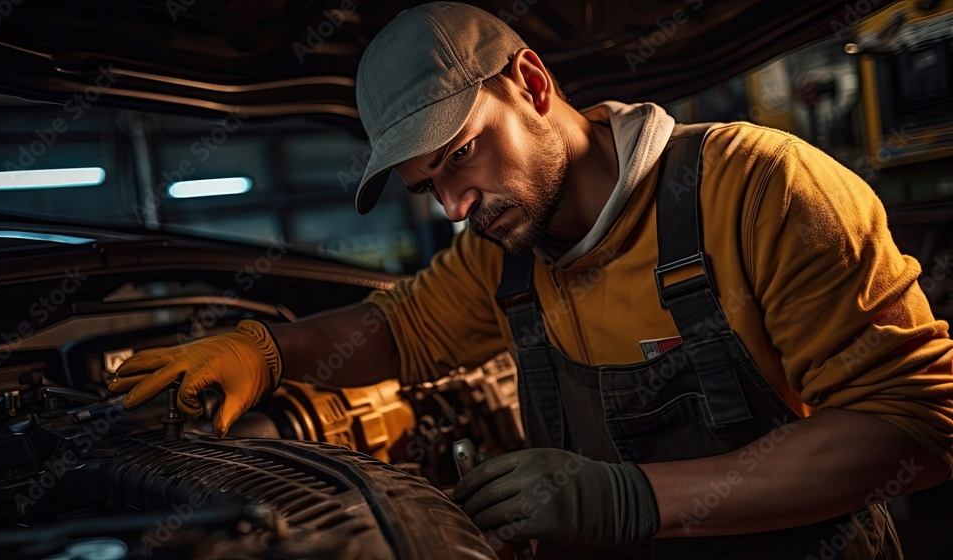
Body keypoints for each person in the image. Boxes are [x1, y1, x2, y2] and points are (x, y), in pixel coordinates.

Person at [109, 3, 953, 558]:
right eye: (427, 187)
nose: (454, 204)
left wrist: (630, 499)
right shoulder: (507, 254)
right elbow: (402, 330)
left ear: (534, 84)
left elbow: (915, 428)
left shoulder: (758, 189)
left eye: (461, 155)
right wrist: (264, 352)